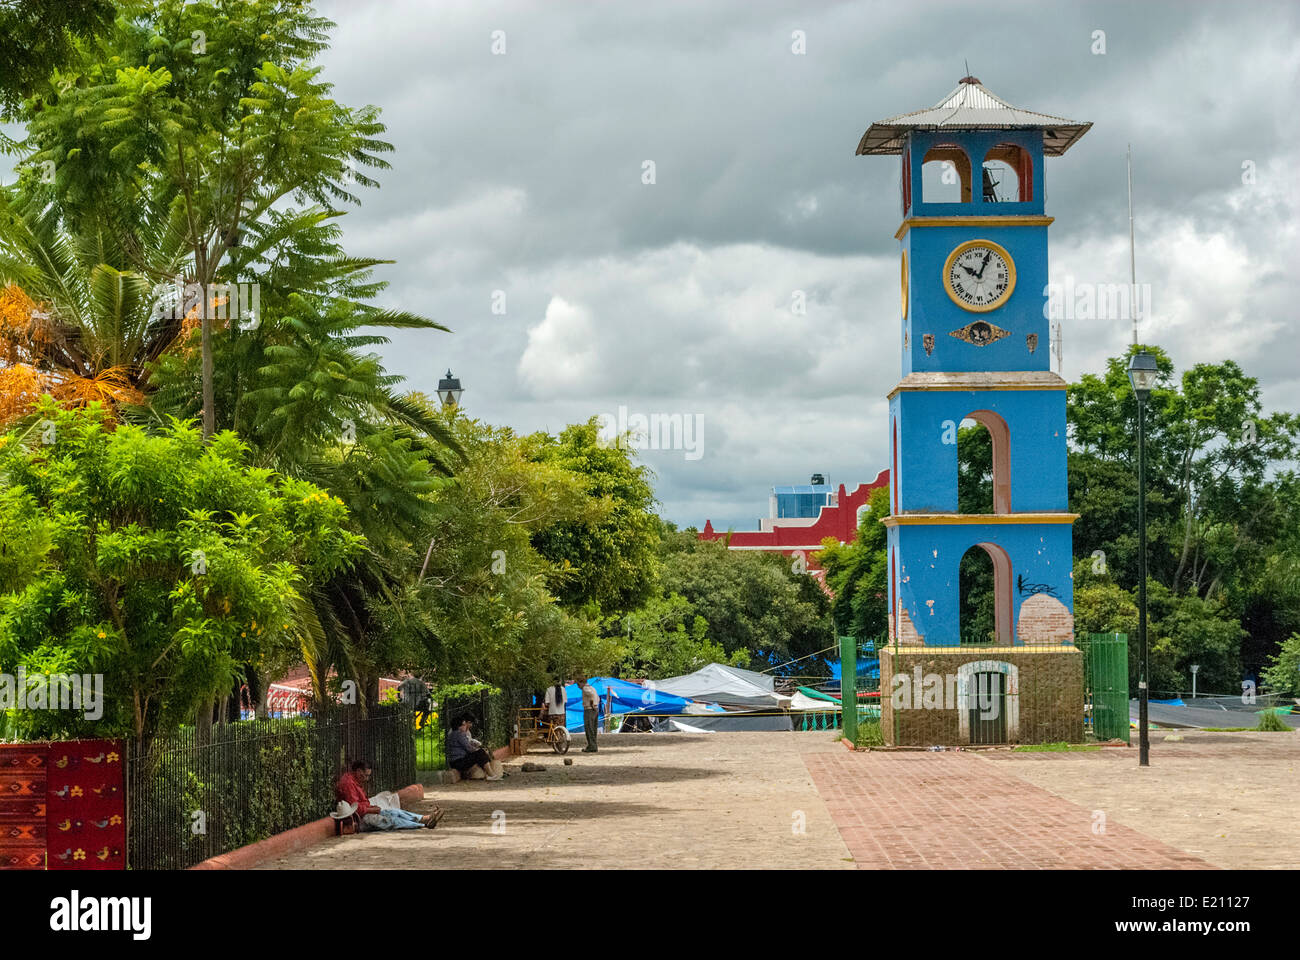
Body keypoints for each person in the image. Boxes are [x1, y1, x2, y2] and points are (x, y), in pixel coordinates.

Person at [335, 759, 443, 831]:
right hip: (357, 818)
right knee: (389, 820)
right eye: (366, 776)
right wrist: (371, 809)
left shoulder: (355, 781)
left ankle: (423, 818)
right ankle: (422, 825)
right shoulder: (348, 784)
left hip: (364, 811)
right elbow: (356, 808)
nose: (367, 779)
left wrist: (372, 808)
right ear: (358, 771)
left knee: (393, 812)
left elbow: (361, 803)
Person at [446, 715, 503, 781]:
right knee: (480, 752)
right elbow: (468, 748)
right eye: (464, 725)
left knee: (480, 753)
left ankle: (490, 774)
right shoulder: (459, 734)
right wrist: (478, 750)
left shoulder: (453, 734)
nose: (466, 726)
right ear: (459, 727)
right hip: (459, 762)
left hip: (456, 762)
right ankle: (491, 775)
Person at [580, 678, 600, 752]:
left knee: (589, 728)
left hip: (589, 709)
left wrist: (592, 703)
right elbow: (597, 697)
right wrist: (595, 705)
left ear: (581, 682)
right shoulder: (592, 688)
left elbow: (591, 695)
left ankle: (592, 746)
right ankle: (593, 745)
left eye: (578, 684)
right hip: (595, 709)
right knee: (593, 728)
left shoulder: (585, 688)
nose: (578, 686)